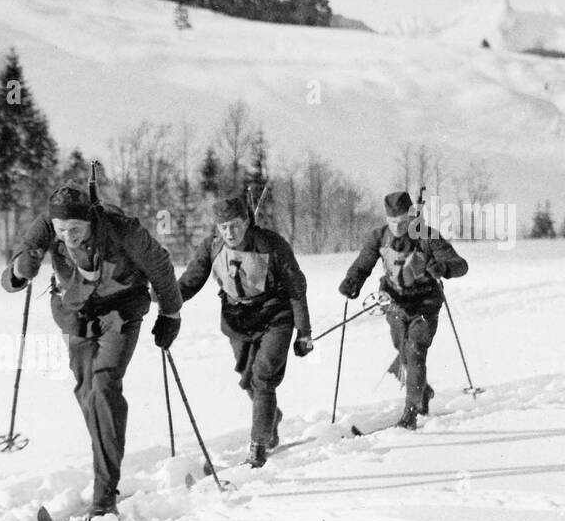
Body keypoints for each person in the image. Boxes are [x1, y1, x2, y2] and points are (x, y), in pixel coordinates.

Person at [1, 184, 182, 521]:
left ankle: (104, 495)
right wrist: (19, 270)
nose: (67, 236)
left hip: (120, 313)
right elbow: (13, 274)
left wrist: (170, 314)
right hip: (76, 316)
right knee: (87, 394)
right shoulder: (46, 225)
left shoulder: (122, 230)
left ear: (90, 220)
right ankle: (105, 463)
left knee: (103, 388)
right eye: (61, 229)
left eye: (76, 228)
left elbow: (159, 265)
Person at [178, 196, 313, 467]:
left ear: (247, 222)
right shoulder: (212, 247)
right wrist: (161, 297)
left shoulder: (271, 244)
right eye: (224, 227)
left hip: (276, 315)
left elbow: (296, 287)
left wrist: (304, 331)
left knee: (263, 378)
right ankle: (271, 418)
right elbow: (190, 282)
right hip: (237, 320)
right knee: (248, 378)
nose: (230, 233)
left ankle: (259, 444)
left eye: (236, 226)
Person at [338, 190, 469, 429]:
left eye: (401, 222)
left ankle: (411, 414)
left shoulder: (428, 236)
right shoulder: (379, 237)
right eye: (392, 222)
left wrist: (443, 268)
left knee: (415, 350)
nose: (396, 227)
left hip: (424, 305)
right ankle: (422, 391)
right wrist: (351, 282)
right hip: (394, 303)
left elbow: (460, 265)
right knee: (403, 351)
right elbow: (362, 265)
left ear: (411, 217)